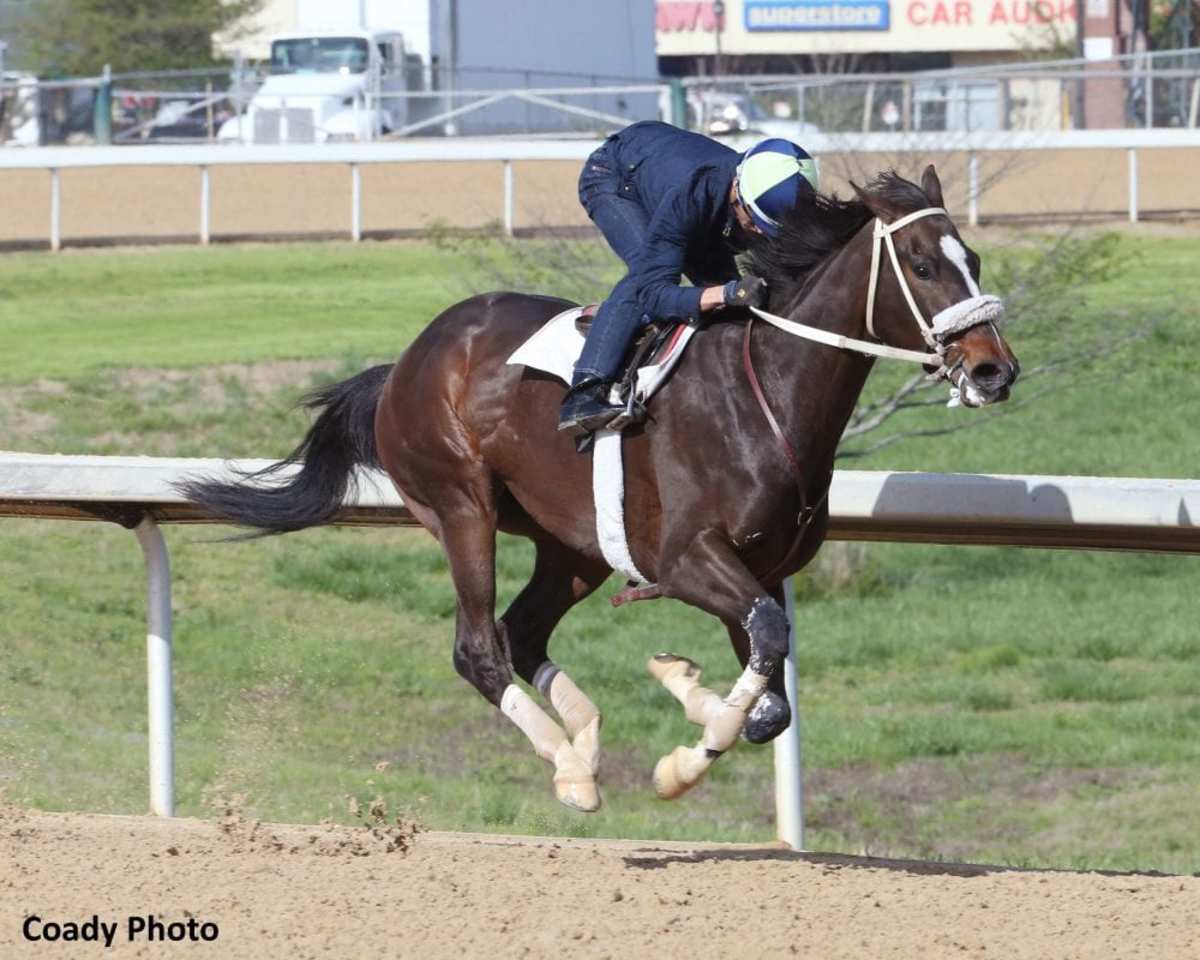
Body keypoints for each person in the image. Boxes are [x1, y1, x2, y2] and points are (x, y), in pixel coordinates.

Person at [558, 120, 819, 435]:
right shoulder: (690, 195)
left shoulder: (766, 191)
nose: (758, 235)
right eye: (754, 224)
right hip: (616, 177)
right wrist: (724, 293)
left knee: (736, 313)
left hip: (683, 192)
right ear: (738, 192)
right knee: (644, 272)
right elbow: (653, 292)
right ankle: (585, 390)